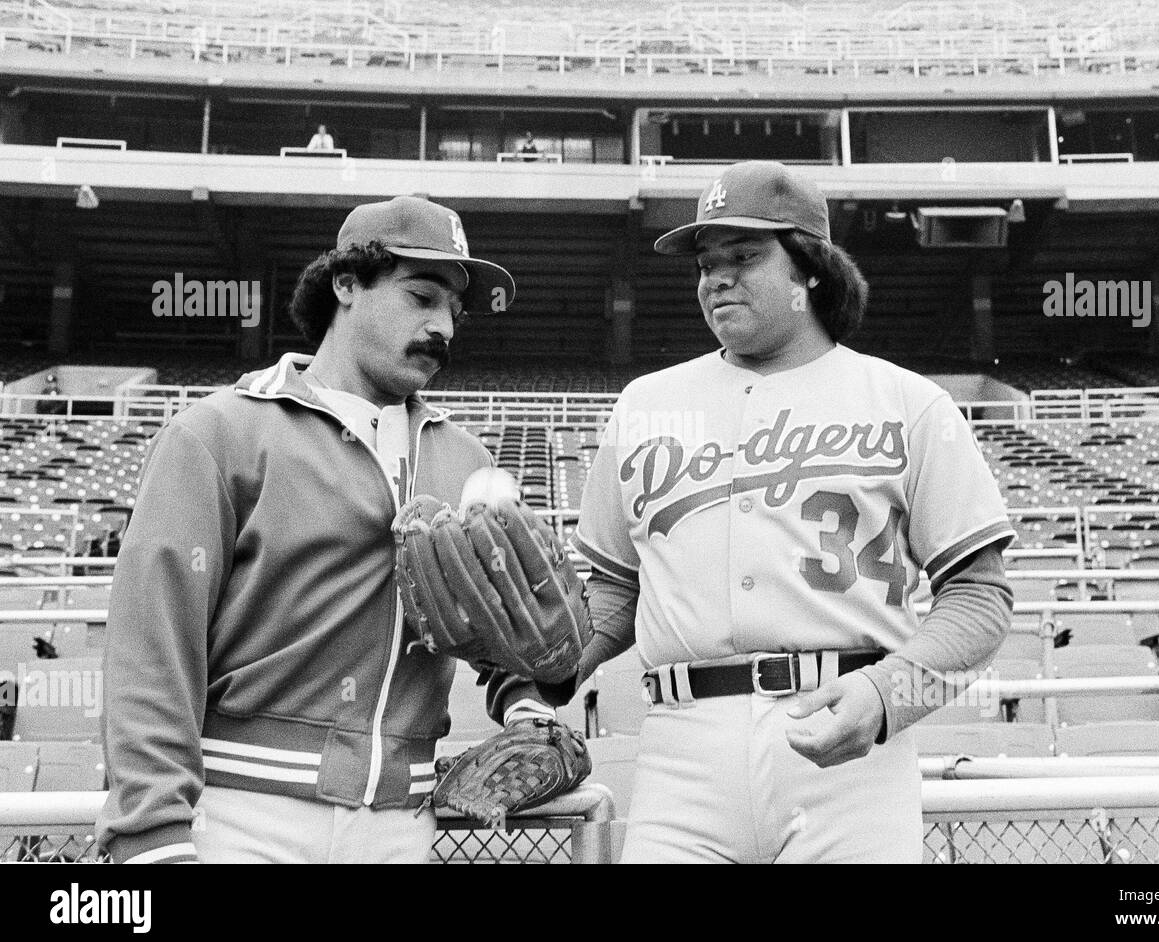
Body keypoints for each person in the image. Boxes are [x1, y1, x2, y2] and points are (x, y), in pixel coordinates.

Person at [97, 195, 563, 864]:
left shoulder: (467, 461)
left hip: (401, 824)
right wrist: (151, 834)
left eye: (454, 313)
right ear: (345, 283)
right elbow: (151, 646)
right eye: (422, 297)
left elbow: (500, 626)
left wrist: (526, 702)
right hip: (237, 812)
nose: (445, 329)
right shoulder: (219, 433)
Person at [573, 161, 1016, 863]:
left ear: (810, 269)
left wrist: (887, 694)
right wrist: (546, 663)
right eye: (706, 263)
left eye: (744, 257)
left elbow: (981, 598)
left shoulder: (908, 403)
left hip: (848, 742)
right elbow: (614, 591)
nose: (716, 277)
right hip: (681, 748)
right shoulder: (644, 404)